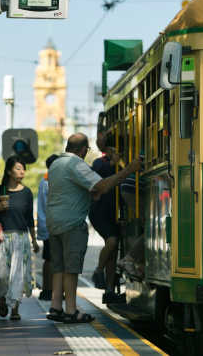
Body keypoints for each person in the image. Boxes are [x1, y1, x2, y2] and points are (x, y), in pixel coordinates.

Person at [46, 133, 140, 324]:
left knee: (59, 267)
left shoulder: (56, 164)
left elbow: (77, 188)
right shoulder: (76, 164)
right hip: (71, 223)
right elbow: (102, 186)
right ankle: (71, 311)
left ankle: (56, 307)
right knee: (71, 269)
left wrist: (92, 192)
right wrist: (128, 170)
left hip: (54, 222)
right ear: (83, 150)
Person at [0, 155, 39, 320]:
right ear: (9, 171)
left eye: (23, 168)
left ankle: (15, 309)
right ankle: (3, 298)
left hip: (21, 238)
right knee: (1, 274)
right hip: (2, 238)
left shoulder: (27, 193)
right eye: (18, 168)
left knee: (18, 275)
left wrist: (34, 240)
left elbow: (30, 219)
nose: (22, 171)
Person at [89, 132, 125, 304]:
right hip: (99, 211)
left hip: (114, 211)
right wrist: (113, 163)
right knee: (112, 241)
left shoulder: (123, 162)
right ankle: (98, 270)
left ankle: (109, 289)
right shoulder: (98, 163)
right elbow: (98, 177)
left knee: (113, 251)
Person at [37, 154, 59, 301]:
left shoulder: (45, 180)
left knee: (49, 258)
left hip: (47, 225)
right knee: (52, 259)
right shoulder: (49, 182)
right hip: (52, 226)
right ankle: (48, 290)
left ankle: (47, 290)